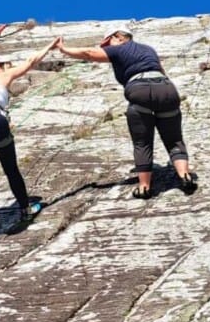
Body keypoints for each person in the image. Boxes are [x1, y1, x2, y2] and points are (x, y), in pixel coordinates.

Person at [55, 29, 197, 199]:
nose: (106, 48)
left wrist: (64, 49)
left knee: (142, 142)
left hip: (140, 90)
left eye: (107, 43)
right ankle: (184, 175)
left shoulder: (119, 48)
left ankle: (144, 187)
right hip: (166, 89)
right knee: (174, 138)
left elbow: (89, 53)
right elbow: (161, 70)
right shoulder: (148, 49)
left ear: (119, 37)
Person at [0, 37, 59, 227]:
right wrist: (50, 45)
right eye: (7, 65)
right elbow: (31, 61)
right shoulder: (1, 75)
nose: (10, 67)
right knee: (11, 169)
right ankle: (25, 210)